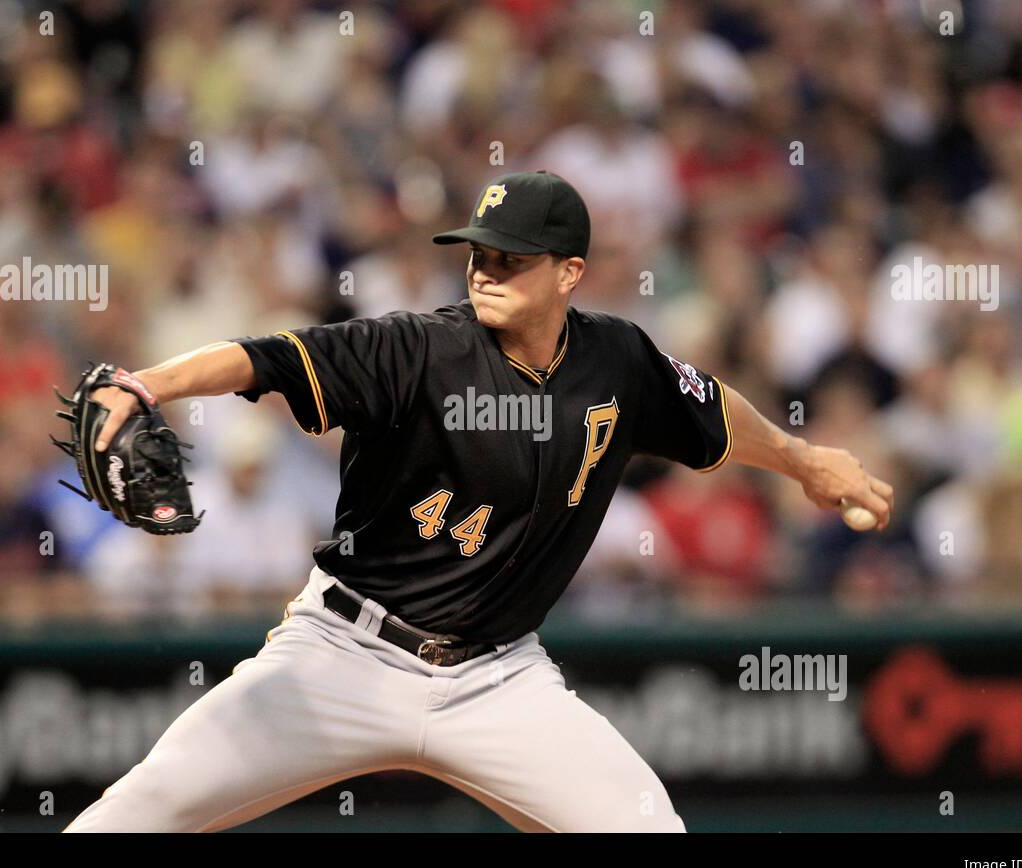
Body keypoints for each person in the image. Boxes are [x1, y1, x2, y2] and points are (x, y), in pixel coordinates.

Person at [64, 170, 892, 832]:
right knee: (140, 814)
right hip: (342, 653)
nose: (484, 269)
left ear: (569, 272)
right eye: (477, 254)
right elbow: (265, 356)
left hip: (499, 677)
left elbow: (711, 408)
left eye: (510, 258)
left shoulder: (617, 360)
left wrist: (806, 460)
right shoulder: (417, 349)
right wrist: (148, 383)